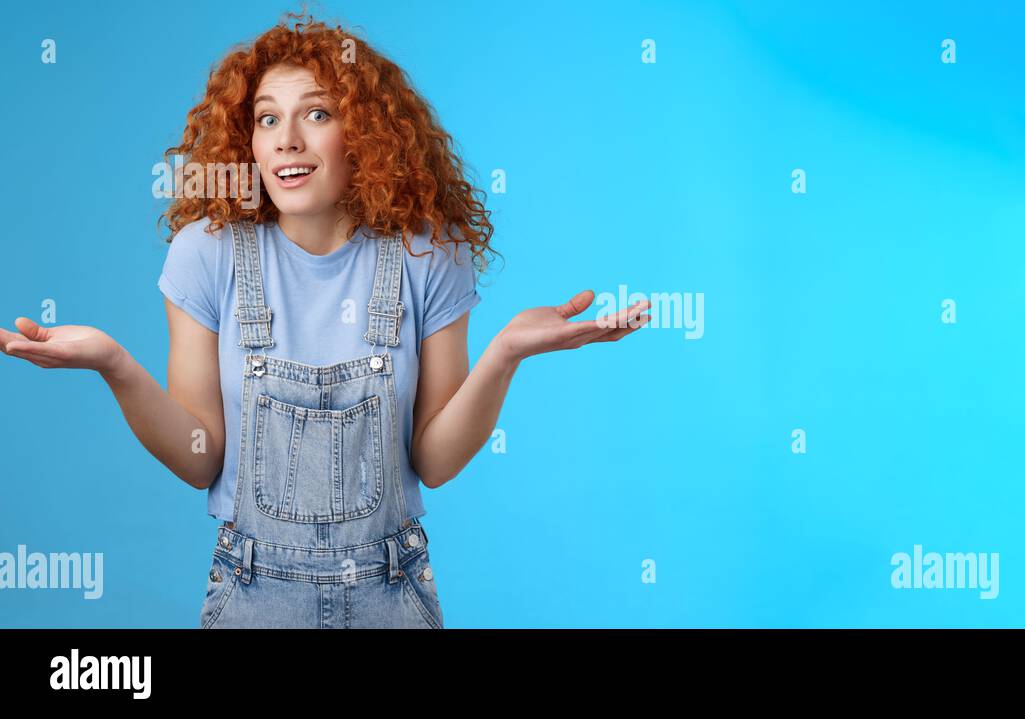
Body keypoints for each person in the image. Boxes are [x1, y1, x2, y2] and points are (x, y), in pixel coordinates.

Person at [0, 12, 649, 628]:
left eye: (316, 113)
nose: (287, 139)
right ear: (247, 140)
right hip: (252, 592)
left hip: (390, 591)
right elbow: (203, 459)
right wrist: (113, 364)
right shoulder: (207, 252)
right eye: (266, 119)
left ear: (364, 132)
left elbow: (434, 458)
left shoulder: (429, 253)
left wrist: (506, 353)